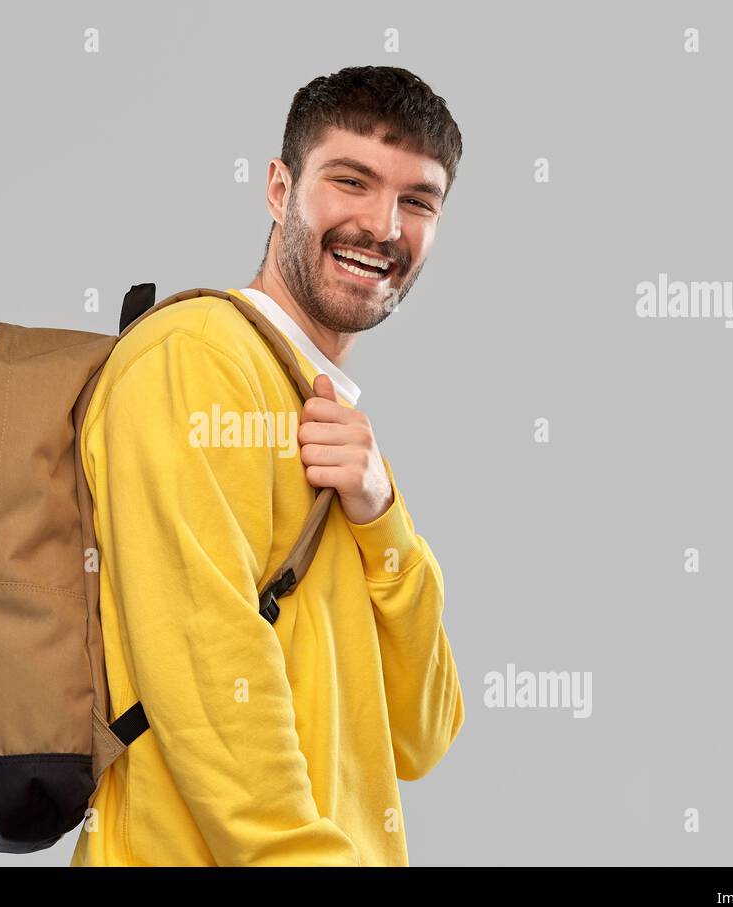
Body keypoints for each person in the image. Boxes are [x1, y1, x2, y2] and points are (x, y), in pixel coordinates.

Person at [70, 65, 464, 866]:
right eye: (350, 181)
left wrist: (380, 512)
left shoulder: (333, 426)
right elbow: (207, 662)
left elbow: (423, 733)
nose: (384, 225)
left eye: (417, 200)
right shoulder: (195, 360)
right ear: (281, 189)